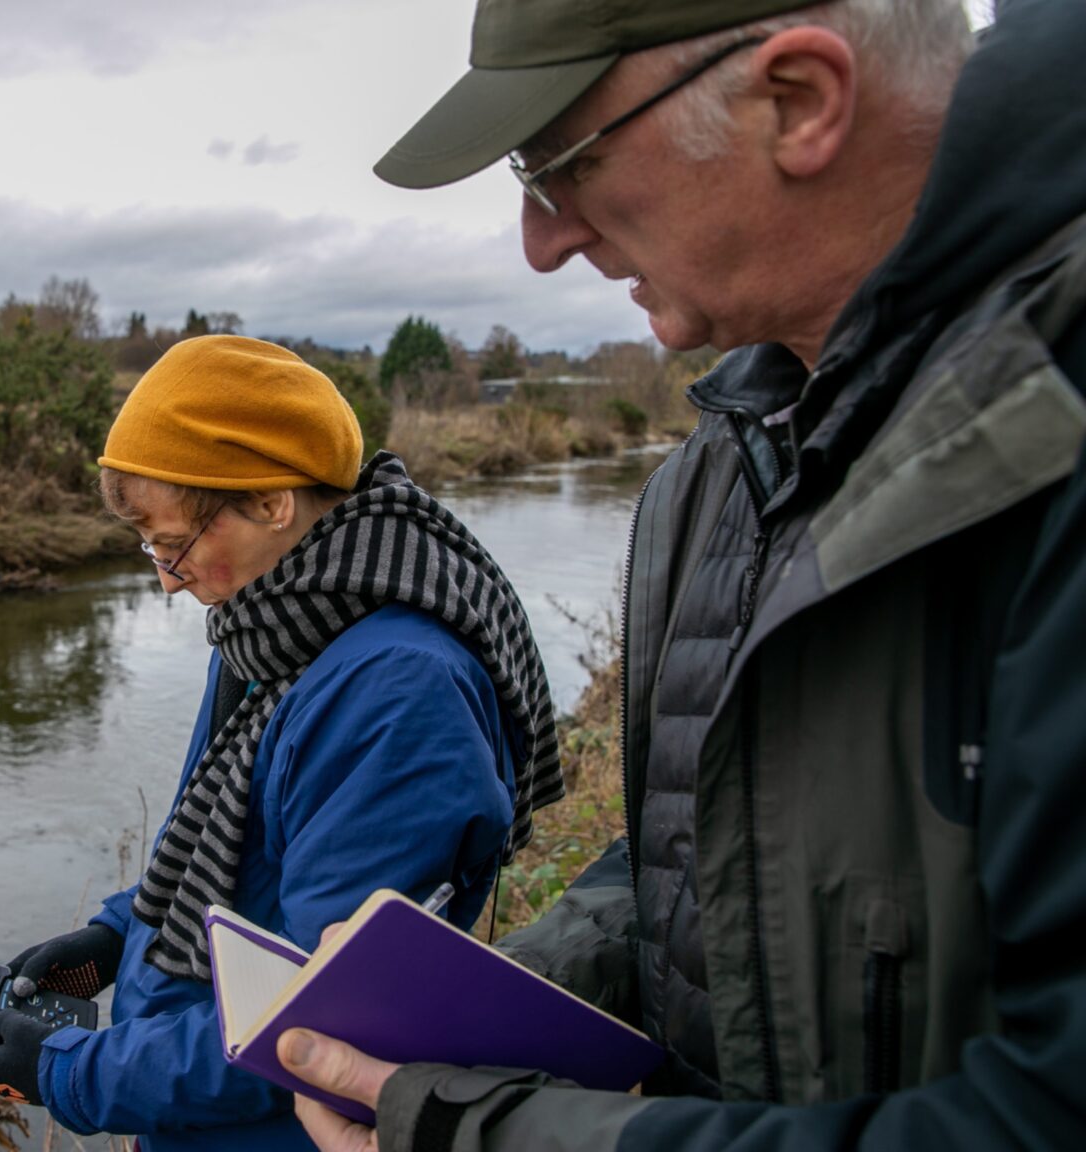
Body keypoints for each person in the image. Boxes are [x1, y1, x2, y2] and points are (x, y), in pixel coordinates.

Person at [277, 0, 1086, 1149]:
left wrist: (482, 1136)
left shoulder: (1059, 414)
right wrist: (480, 1005)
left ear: (796, 100)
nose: (540, 240)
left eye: (558, 164)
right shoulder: (715, 474)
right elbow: (703, 848)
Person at [0, 334, 566, 1150]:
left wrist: (69, 1071)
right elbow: (232, 869)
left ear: (272, 501)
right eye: (151, 548)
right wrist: (120, 932)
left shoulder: (398, 695)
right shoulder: (272, 629)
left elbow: (326, 1022)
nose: (166, 579)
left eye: (175, 546)